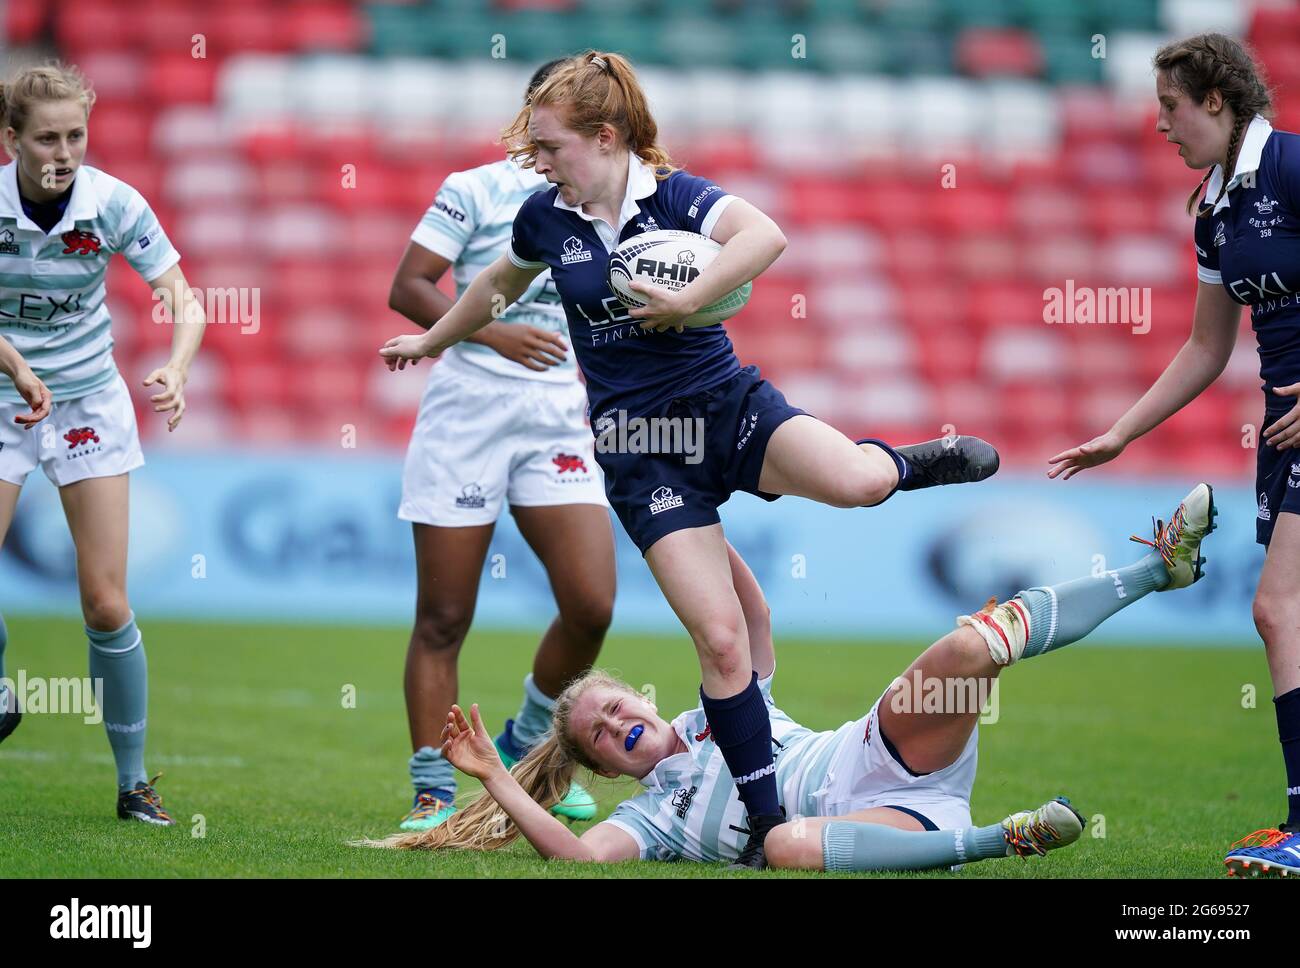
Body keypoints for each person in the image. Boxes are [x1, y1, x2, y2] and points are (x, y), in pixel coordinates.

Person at [380, 51, 999, 868]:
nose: (538, 161)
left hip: (724, 404)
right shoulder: (545, 216)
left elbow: (764, 235)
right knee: (720, 640)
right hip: (642, 452)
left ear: (605, 138)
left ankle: (917, 461)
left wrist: (689, 298)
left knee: (860, 480)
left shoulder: (673, 197)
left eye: (551, 145)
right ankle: (765, 814)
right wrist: (432, 338)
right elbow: (496, 283)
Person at [359, 484, 1215, 870]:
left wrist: (692, 530)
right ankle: (1001, 840)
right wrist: (496, 777)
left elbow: (753, 621)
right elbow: (580, 853)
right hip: (890, 825)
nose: (614, 725)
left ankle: (1155, 571)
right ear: (608, 772)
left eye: (614, 706)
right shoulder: (653, 821)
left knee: (966, 651)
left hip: (886, 752)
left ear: (646, 702)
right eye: (599, 738)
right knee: (784, 846)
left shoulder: (719, 708)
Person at [1048, 33, 1300, 878]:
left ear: (1219, 102)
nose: (1160, 125)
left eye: (1171, 107)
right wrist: (1123, 431)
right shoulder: (1217, 206)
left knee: (1279, 609)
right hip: (1281, 426)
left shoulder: (1292, 168)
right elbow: (1205, 346)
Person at [386, 58, 614, 832]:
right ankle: (432, 789)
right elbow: (409, 285)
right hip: (469, 410)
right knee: (445, 616)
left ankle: (525, 748)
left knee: (591, 605)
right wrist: (493, 331)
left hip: (557, 414)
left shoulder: (607, 197)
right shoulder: (474, 188)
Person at [0, 63, 207, 824]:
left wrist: (178, 368)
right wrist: (16, 366)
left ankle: (133, 783)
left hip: (86, 402)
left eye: (76, 136)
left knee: (107, 602)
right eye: (46, 137)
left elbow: (184, 300)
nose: (63, 152)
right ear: (10, 138)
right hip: (1, 397)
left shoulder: (114, 203)